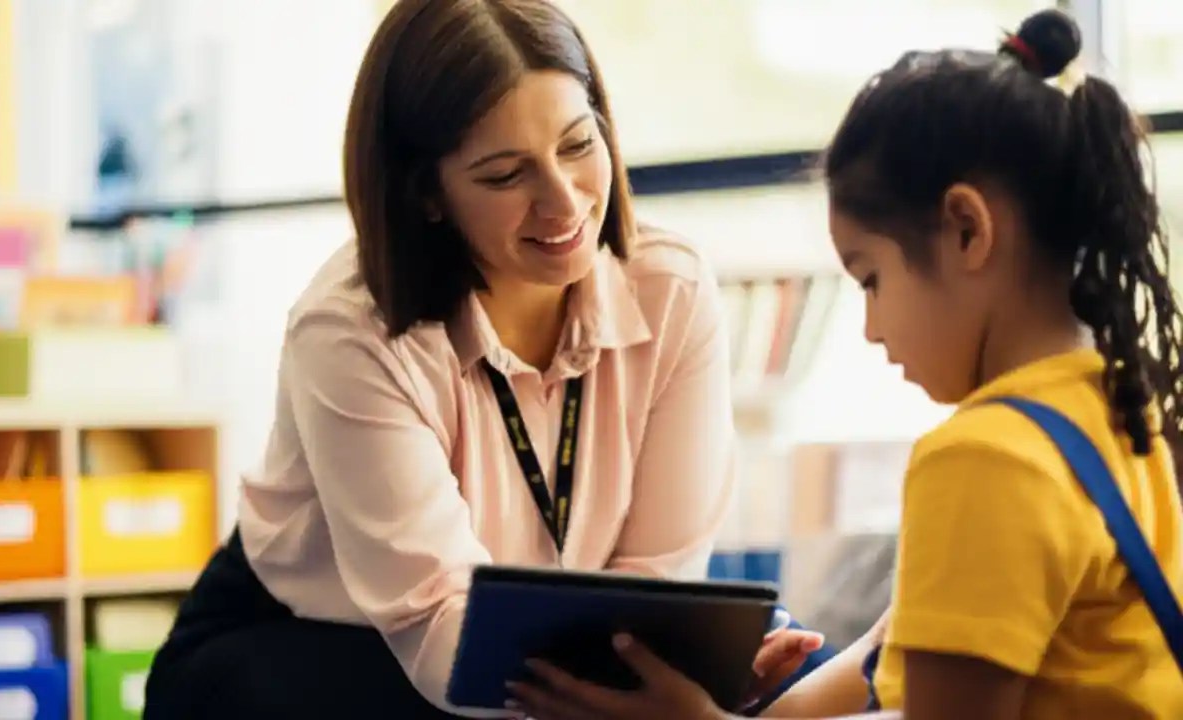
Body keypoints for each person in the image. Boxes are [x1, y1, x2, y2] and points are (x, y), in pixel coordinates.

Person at [142, 1, 824, 718]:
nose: (563, 204)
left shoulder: (672, 291)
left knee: (794, 672)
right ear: (427, 194)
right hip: (311, 640)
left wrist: (696, 680)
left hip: (530, 645)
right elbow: (441, 631)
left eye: (576, 145)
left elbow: (661, 581)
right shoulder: (350, 333)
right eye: (505, 176)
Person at [509, 9, 1183, 720]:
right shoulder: (1119, 410)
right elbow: (892, 651)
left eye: (871, 280)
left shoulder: (989, 458)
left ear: (967, 230)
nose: (869, 328)